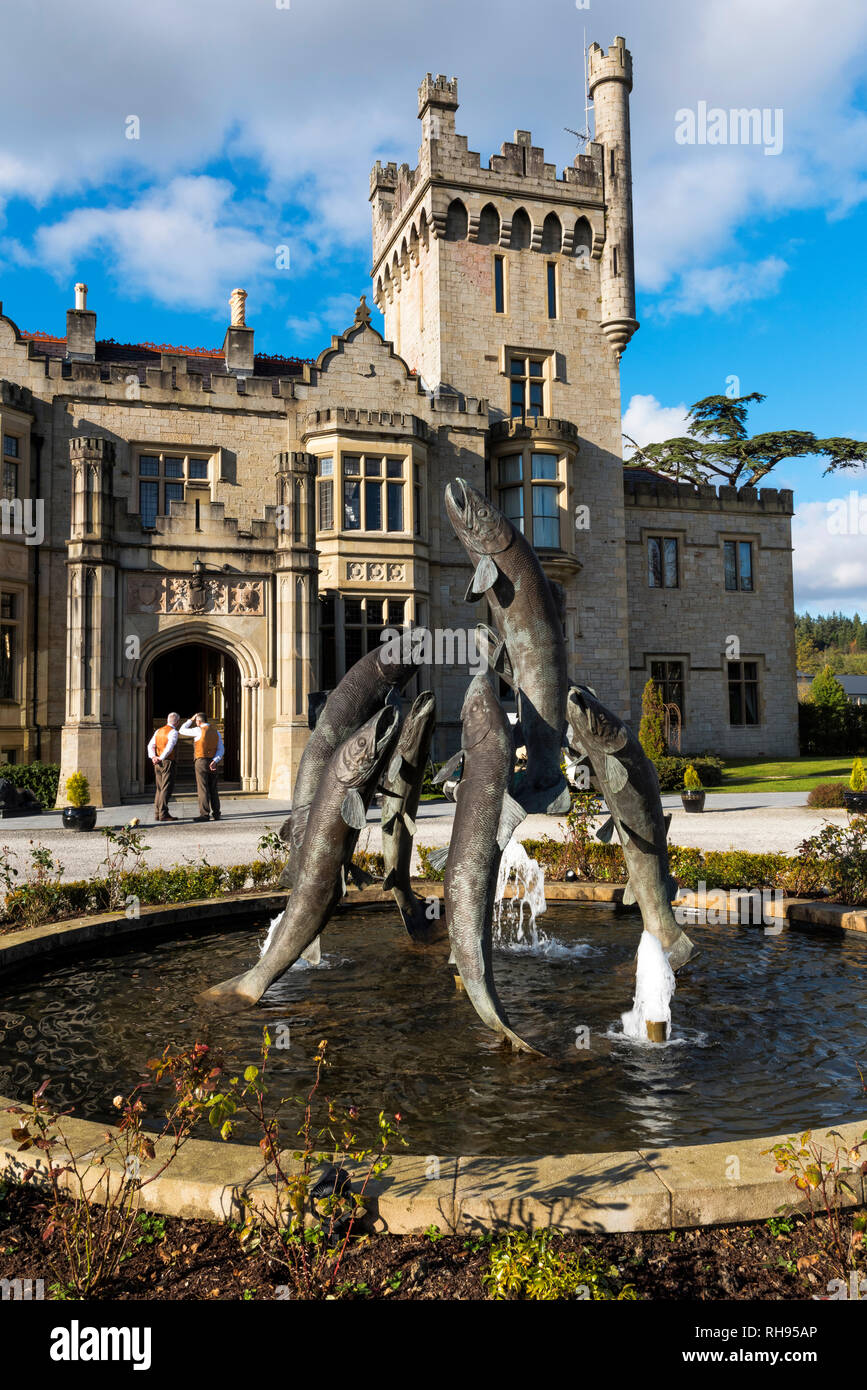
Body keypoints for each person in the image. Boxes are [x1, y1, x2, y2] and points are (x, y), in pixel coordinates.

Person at [179, 712, 224, 822]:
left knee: (203, 788)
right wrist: (215, 760)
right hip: (213, 761)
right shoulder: (216, 732)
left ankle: (204, 814)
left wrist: (191, 719)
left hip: (201, 761)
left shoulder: (198, 730)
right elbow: (221, 749)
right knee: (213, 788)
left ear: (198, 721)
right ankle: (217, 813)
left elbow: (181, 730)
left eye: (196, 721)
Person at [147, 712, 181, 822]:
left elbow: (150, 745)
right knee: (166, 787)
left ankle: (157, 813)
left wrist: (153, 757)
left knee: (159, 788)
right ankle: (163, 813)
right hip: (167, 761)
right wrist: (161, 757)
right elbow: (170, 747)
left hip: (157, 762)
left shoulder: (158, 731)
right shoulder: (173, 732)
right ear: (177, 722)